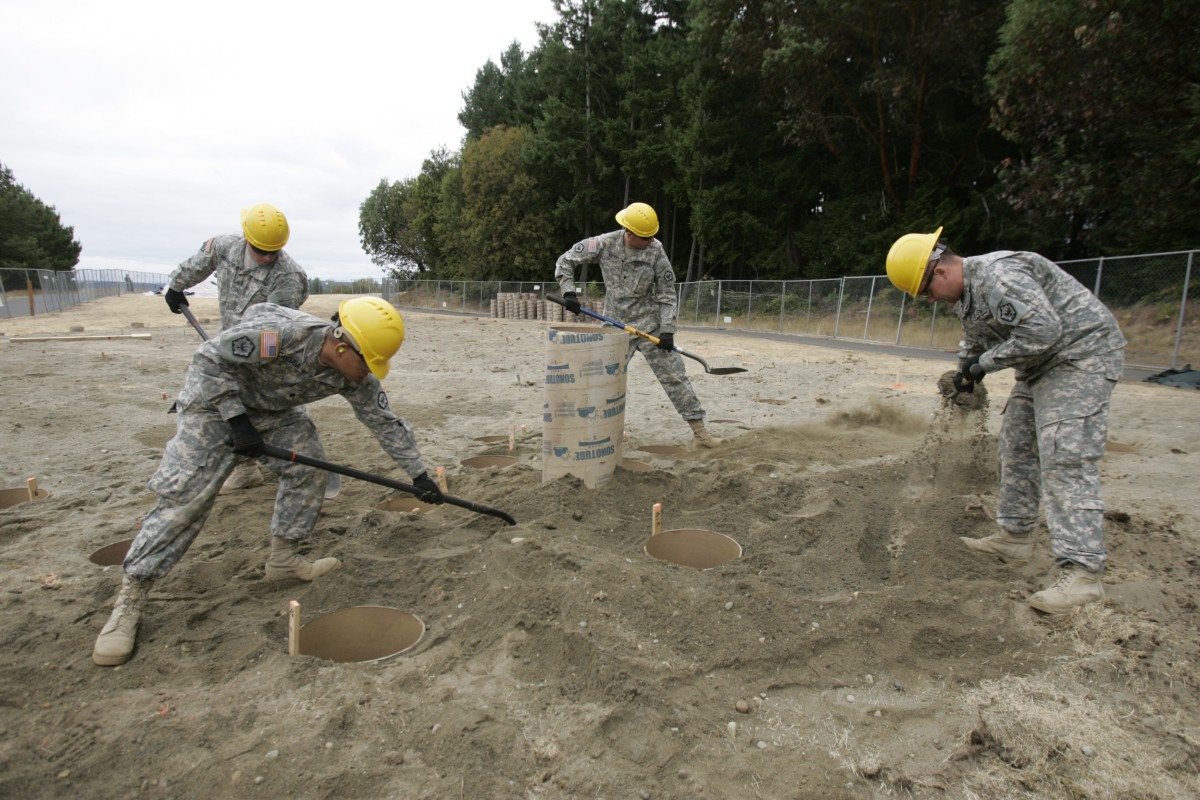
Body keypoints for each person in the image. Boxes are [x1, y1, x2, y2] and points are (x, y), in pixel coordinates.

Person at [92, 297, 445, 666]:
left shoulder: (354, 377)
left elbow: (385, 423)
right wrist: (236, 419)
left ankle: (284, 560)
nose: (369, 372)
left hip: (273, 411)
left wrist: (418, 474)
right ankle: (130, 600)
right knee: (188, 498)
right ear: (342, 346)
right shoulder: (279, 337)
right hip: (213, 405)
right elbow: (208, 360)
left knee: (308, 465)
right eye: (368, 361)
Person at [885, 227, 1127, 613]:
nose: (930, 299)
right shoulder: (968, 294)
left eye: (926, 291)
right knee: (1015, 444)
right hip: (1039, 367)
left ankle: (1083, 574)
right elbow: (974, 338)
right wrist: (965, 371)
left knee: (1064, 455)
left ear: (940, 272)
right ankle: (1014, 537)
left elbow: (1044, 331)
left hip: (1080, 357)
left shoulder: (999, 276)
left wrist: (984, 364)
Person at [164, 203, 311, 493]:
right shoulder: (226, 246)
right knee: (212, 393)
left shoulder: (288, 277)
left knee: (269, 399)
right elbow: (197, 264)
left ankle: (296, 464)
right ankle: (244, 469)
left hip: (267, 344)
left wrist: (247, 365)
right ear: (247, 238)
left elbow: (275, 332)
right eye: (260, 250)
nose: (267, 257)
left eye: (274, 251)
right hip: (228, 336)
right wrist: (176, 287)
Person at [554, 202, 720, 448]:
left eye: (653, 236)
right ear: (629, 233)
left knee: (675, 377)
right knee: (600, 382)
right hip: (614, 326)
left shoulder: (656, 251)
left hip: (650, 326)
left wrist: (667, 330)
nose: (651, 241)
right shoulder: (604, 243)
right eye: (646, 237)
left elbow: (667, 294)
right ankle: (593, 435)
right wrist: (569, 292)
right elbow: (565, 260)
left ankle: (701, 434)